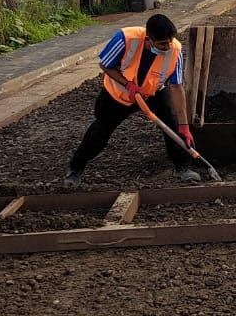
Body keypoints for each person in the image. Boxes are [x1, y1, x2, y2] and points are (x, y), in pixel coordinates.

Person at [64, 12, 200, 186]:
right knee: (100, 131)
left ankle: (182, 167)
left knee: (172, 125)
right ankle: (76, 168)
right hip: (119, 95)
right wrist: (128, 85)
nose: (167, 47)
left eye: (169, 42)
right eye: (162, 44)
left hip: (153, 93)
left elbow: (176, 87)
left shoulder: (175, 51)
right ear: (148, 39)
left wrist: (184, 126)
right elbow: (105, 65)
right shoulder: (125, 38)